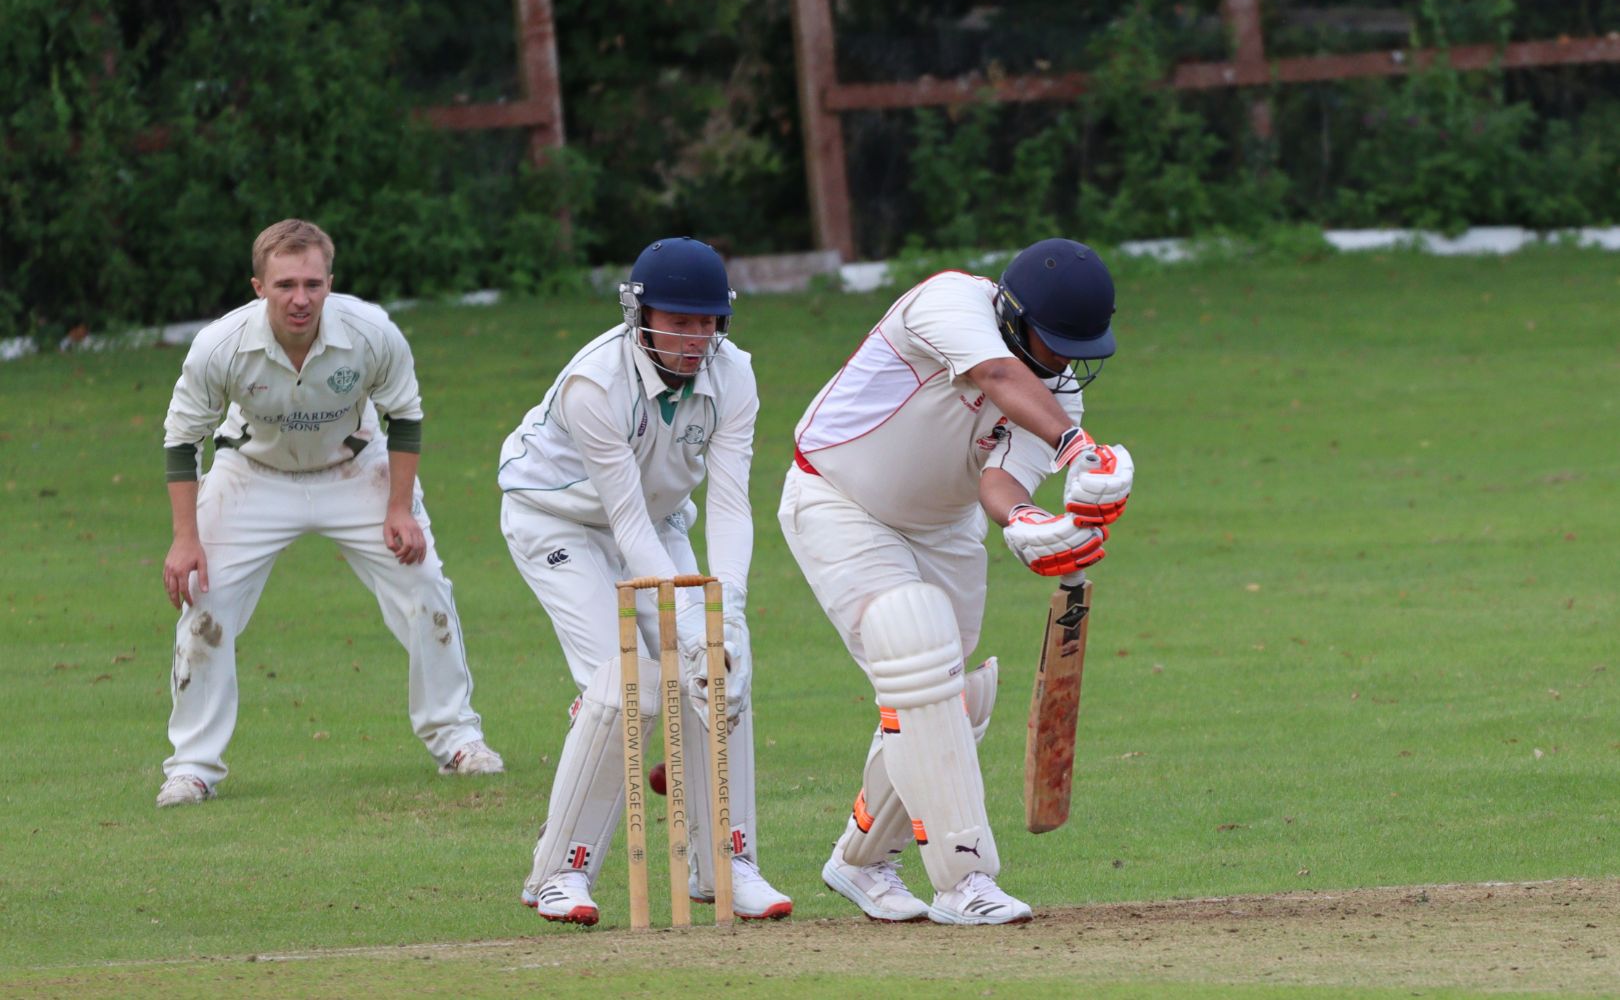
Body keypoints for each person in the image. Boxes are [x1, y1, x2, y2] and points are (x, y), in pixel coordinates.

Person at [778, 238, 1135, 925]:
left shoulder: (1057, 395)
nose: (1063, 362)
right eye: (1054, 341)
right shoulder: (947, 303)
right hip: (839, 500)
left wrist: (1032, 524)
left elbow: (1000, 482)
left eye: (1076, 348)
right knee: (917, 644)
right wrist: (1079, 450)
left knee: (951, 700)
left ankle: (859, 860)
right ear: (1011, 312)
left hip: (944, 530)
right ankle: (963, 879)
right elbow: (999, 375)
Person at [156, 218, 503, 808]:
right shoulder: (221, 345)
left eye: (313, 284)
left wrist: (399, 508)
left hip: (353, 469)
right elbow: (182, 440)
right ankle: (192, 769)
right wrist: (184, 537)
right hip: (252, 477)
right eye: (285, 284)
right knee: (204, 604)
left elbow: (406, 416)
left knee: (426, 586)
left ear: (330, 282)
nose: (300, 298)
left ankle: (457, 739)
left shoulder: (371, 333)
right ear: (258, 286)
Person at [500, 236, 791, 926]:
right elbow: (621, 520)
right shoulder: (594, 384)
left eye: (708, 322)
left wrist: (728, 619)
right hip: (558, 521)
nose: (696, 339)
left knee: (722, 664)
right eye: (679, 322)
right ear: (640, 313)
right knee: (624, 687)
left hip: (658, 523)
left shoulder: (736, 376)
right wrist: (691, 629)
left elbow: (728, 504)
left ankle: (727, 862)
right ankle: (559, 874)